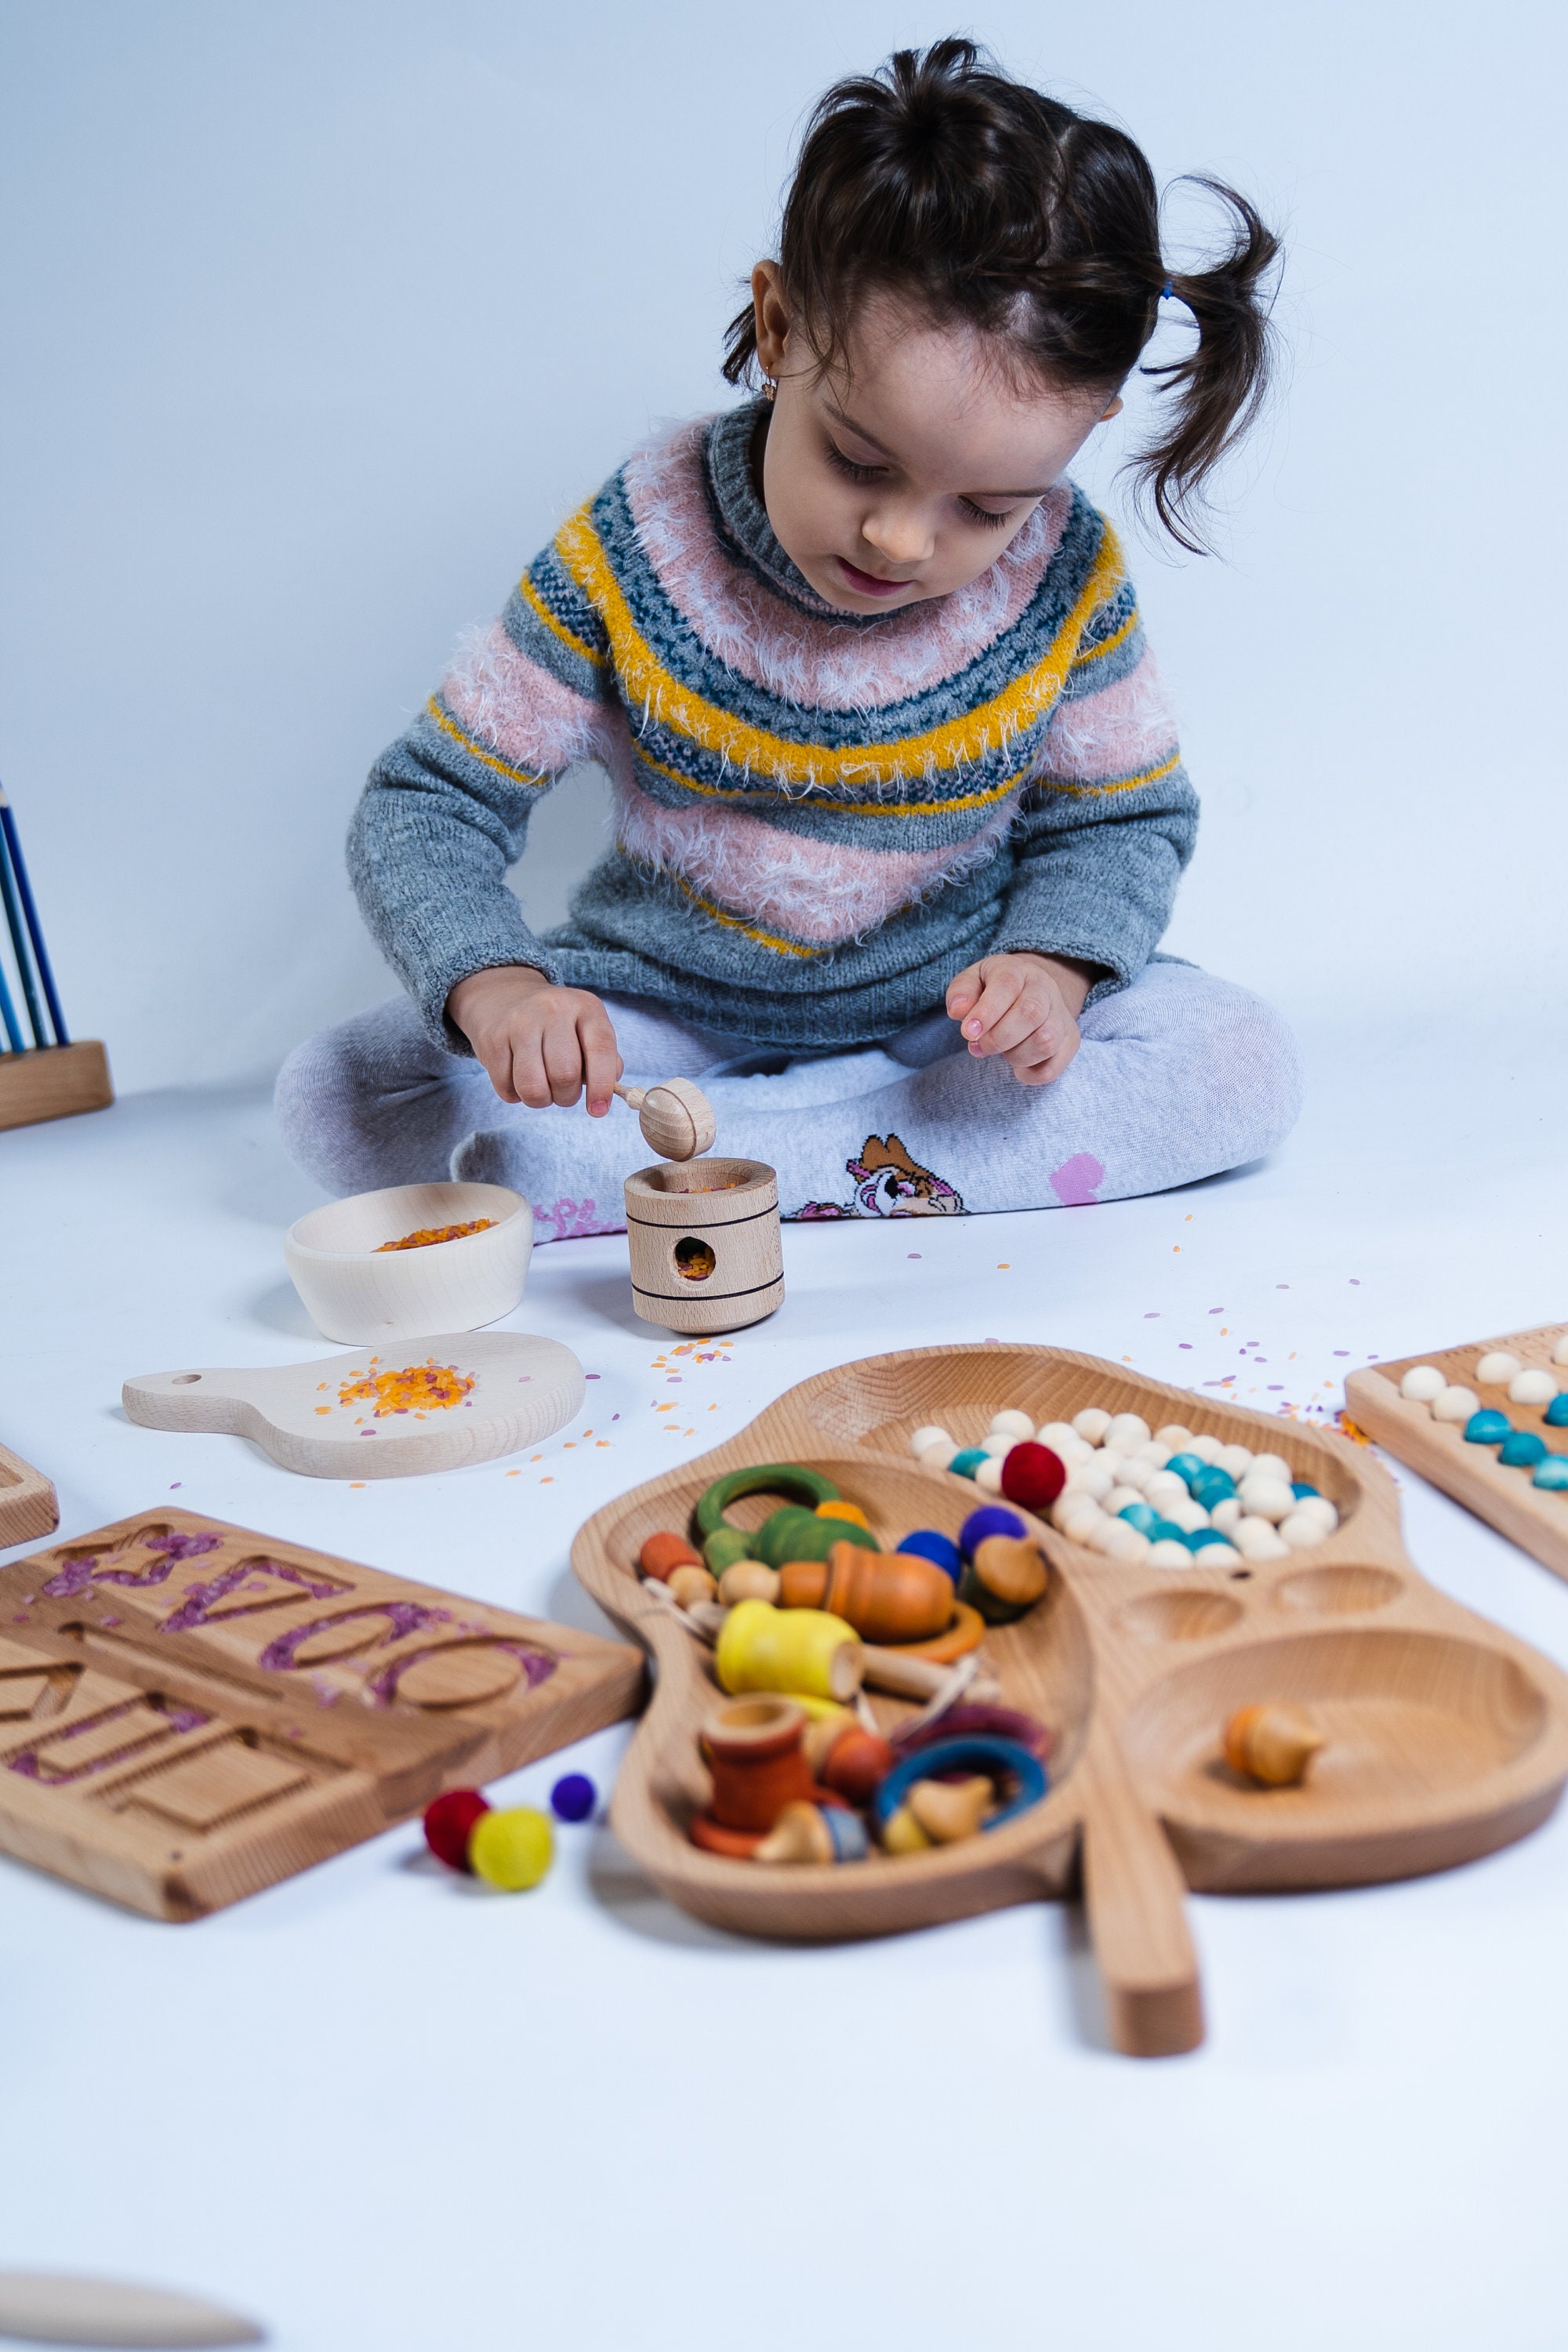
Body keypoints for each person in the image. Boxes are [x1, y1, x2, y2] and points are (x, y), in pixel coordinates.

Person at [278, 37, 1301, 1237]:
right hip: (664, 1012)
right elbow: (428, 804)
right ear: (778, 326)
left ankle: (728, 1166)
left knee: (1241, 1064)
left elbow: (1119, 817)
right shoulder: (635, 548)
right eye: (860, 461)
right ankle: (880, 1144)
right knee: (343, 1098)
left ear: (1085, 432)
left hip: (943, 1012)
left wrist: (1052, 971)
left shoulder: (1065, 577)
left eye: (987, 506)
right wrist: (500, 991)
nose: (906, 541)